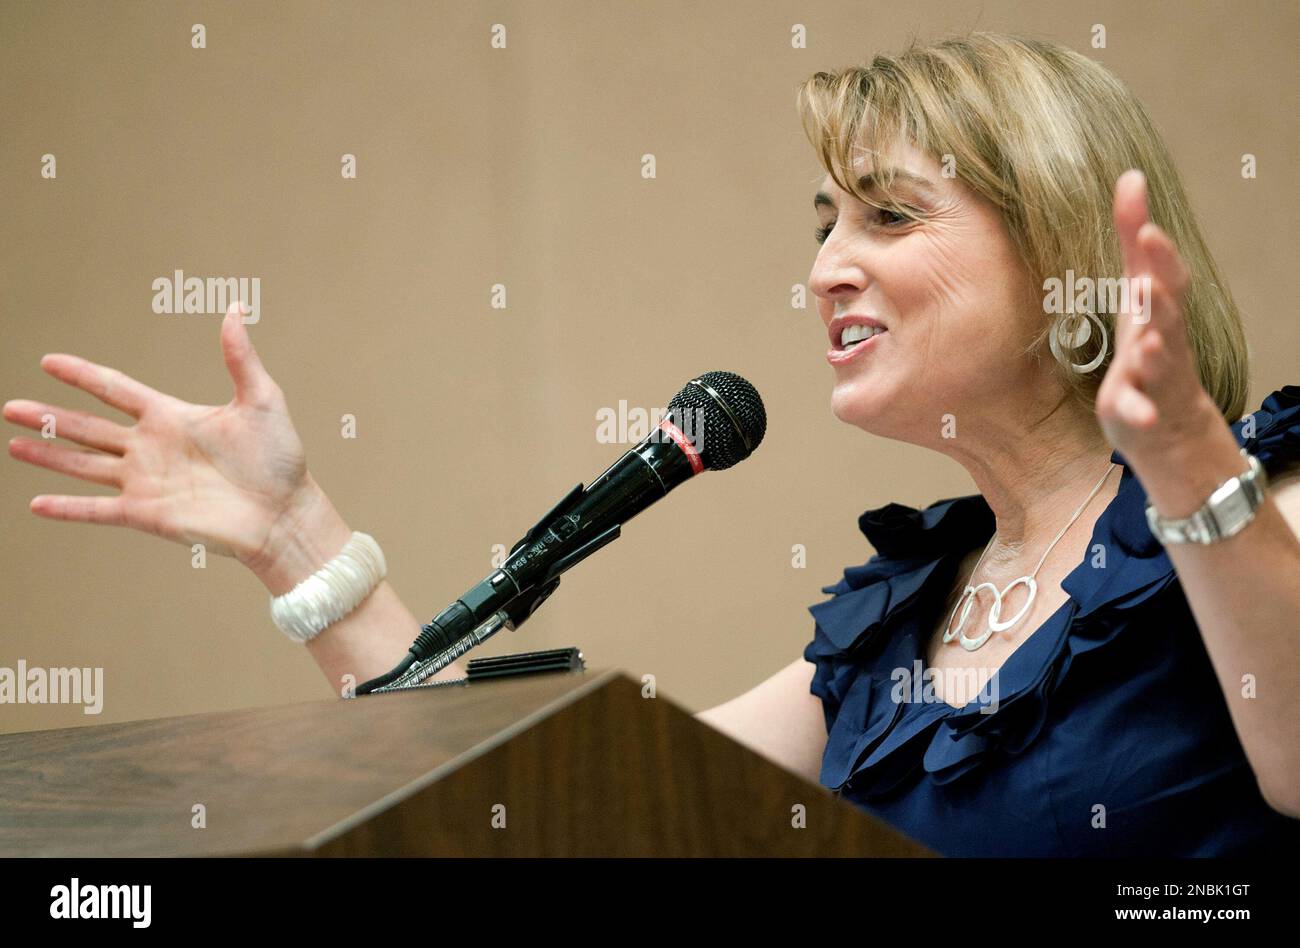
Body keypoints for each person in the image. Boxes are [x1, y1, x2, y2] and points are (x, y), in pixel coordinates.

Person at [6, 32, 1299, 856]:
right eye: (822, 223)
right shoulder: (891, 629)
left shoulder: (1266, 498)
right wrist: (297, 542)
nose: (826, 268)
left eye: (889, 218)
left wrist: (1185, 457)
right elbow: (552, 817)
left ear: (1063, 243)